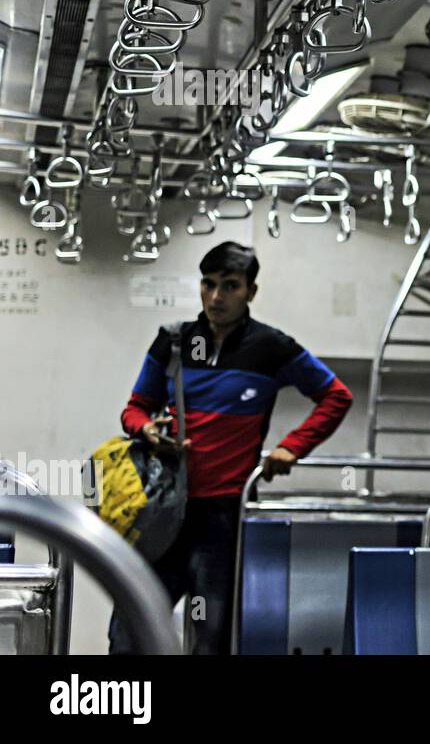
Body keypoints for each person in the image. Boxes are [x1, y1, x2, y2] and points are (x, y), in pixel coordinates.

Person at [108, 241, 353, 653]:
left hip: (223, 516)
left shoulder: (272, 348)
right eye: (208, 284)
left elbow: (336, 396)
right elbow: (134, 409)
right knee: (131, 630)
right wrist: (147, 430)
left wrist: (292, 447)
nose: (216, 297)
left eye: (230, 286)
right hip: (164, 509)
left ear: (251, 292)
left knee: (211, 634)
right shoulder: (173, 341)